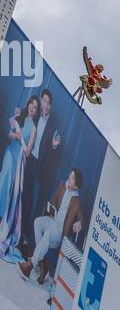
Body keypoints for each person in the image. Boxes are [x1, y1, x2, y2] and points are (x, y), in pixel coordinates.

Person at [19, 168, 83, 285]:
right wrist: (52, 210)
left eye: (72, 178)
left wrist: (79, 223)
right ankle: (44, 267)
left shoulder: (77, 201)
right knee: (37, 222)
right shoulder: (62, 185)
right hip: (52, 221)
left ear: (76, 186)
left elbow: (81, 218)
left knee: (47, 234)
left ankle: (30, 265)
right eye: (70, 175)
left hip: (59, 232)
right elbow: (53, 200)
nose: (69, 178)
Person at [20, 88, 62, 253]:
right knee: (25, 198)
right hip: (29, 161)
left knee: (37, 205)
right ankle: (19, 233)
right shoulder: (35, 117)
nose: (45, 105)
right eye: (43, 101)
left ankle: (28, 243)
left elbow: (55, 154)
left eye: (48, 103)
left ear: (50, 106)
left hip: (41, 169)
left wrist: (54, 146)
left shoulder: (53, 127)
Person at [0, 96, 39, 260]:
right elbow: (9, 136)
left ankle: (4, 222)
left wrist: (22, 138)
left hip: (20, 161)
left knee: (13, 191)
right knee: (4, 180)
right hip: (11, 152)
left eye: (36, 107)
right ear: (28, 104)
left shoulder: (34, 129)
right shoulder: (19, 116)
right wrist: (15, 137)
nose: (33, 107)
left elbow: (28, 152)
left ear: (36, 112)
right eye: (32, 104)